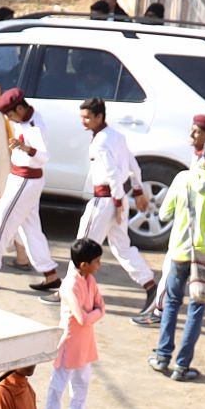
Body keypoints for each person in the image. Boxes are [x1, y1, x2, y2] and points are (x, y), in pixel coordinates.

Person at [150, 140, 205, 377]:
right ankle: (182, 366)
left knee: (172, 304)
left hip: (179, 252)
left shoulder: (182, 179)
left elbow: (165, 214)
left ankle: (162, 357)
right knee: (197, 308)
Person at [74, 98, 152, 294]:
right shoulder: (116, 136)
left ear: (99, 116)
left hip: (105, 201)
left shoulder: (100, 142)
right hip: (118, 200)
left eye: (87, 118)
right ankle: (151, 286)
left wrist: (117, 203)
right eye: (81, 117)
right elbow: (133, 164)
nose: (83, 121)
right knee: (122, 247)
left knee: (82, 246)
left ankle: (71, 289)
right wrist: (138, 190)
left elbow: (114, 174)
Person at [39, 239, 104, 409]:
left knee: (81, 382)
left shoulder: (89, 280)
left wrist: (94, 312)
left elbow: (100, 307)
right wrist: (96, 312)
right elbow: (82, 317)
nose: (99, 265)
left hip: (85, 342)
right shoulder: (69, 285)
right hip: (69, 341)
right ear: (84, 264)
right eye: (96, 261)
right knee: (58, 384)